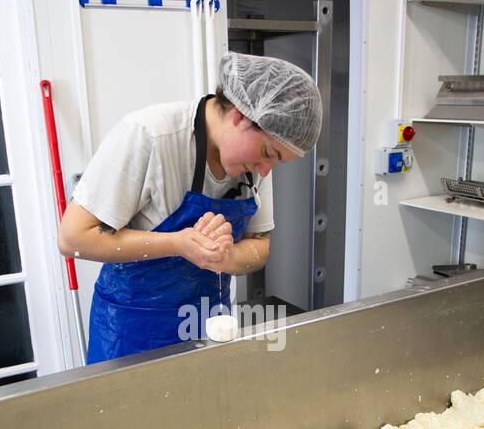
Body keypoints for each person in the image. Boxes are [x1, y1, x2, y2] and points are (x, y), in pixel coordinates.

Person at [58, 51, 322, 363]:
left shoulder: (255, 165)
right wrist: (177, 243)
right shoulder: (150, 136)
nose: (265, 170)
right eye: (268, 152)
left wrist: (228, 257)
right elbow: (72, 238)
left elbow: (259, 247)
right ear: (239, 115)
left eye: (277, 161)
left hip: (207, 326)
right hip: (133, 330)